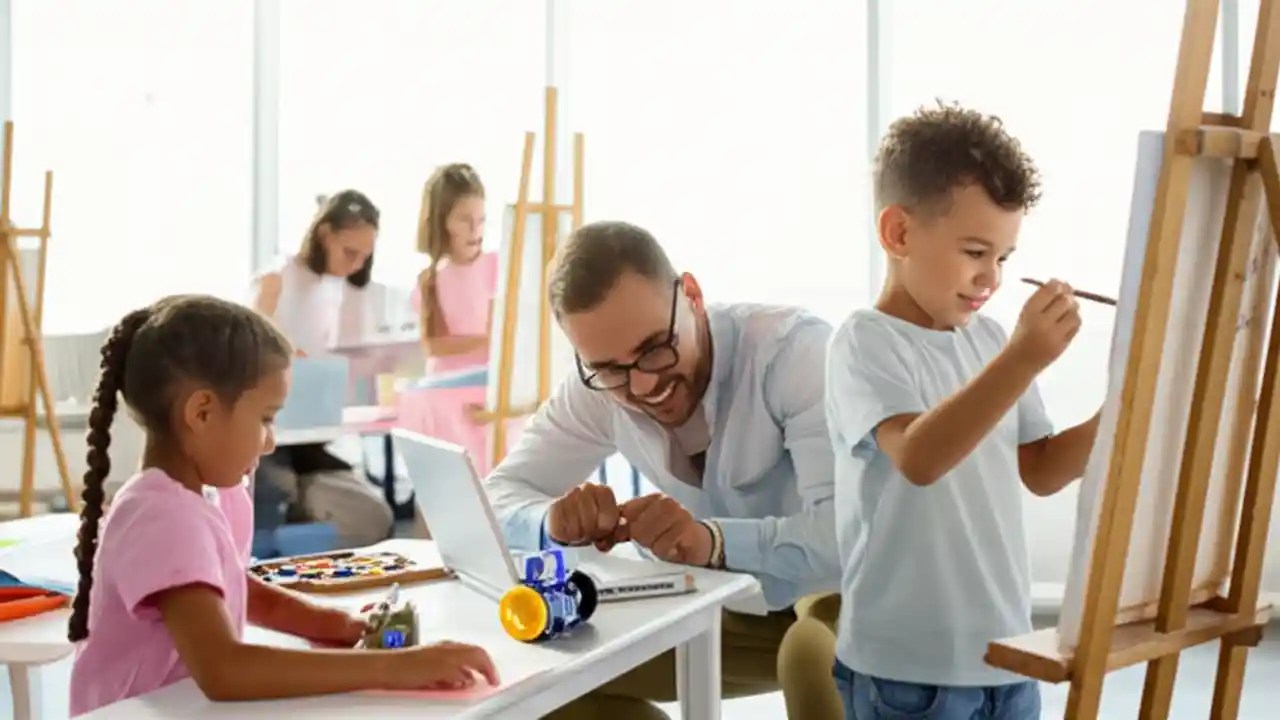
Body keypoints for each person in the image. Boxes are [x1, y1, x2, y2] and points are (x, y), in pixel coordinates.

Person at [67, 295, 497, 716]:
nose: (271, 441)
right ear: (201, 413)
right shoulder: (162, 517)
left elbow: (240, 591)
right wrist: (397, 668)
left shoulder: (195, 499)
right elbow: (225, 670)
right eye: (266, 419)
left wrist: (334, 624)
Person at [485, 220, 843, 719]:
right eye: (611, 369)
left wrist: (712, 542)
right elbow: (497, 495)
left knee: (810, 655)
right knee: (539, 678)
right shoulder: (596, 388)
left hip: (848, 590)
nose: (644, 383)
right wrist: (551, 522)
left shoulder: (795, 354)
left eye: (656, 347)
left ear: (692, 296)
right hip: (734, 606)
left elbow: (843, 538)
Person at [825, 102, 1101, 719]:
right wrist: (1024, 359)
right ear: (898, 234)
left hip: (1007, 658)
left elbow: (1042, 468)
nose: (991, 278)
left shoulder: (989, 342)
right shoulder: (864, 343)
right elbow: (920, 458)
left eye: (1002, 258)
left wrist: (1130, 409)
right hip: (908, 675)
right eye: (976, 251)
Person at [251, 190, 394, 548]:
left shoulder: (331, 290)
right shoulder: (276, 279)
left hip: (308, 435)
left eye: (365, 256)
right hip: (268, 436)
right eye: (350, 253)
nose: (357, 265)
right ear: (325, 234)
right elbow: (247, 350)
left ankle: (300, 527)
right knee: (277, 487)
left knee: (375, 515)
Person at [398, 163, 502, 475]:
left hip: (489, 384)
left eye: (481, 220)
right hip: (448, 389)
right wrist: (489, 341)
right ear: (443, 222)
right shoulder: (430, 279)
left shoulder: (498, 268)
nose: (476, 230)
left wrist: (493, 343)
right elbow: (435, 346)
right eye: (465, 220)